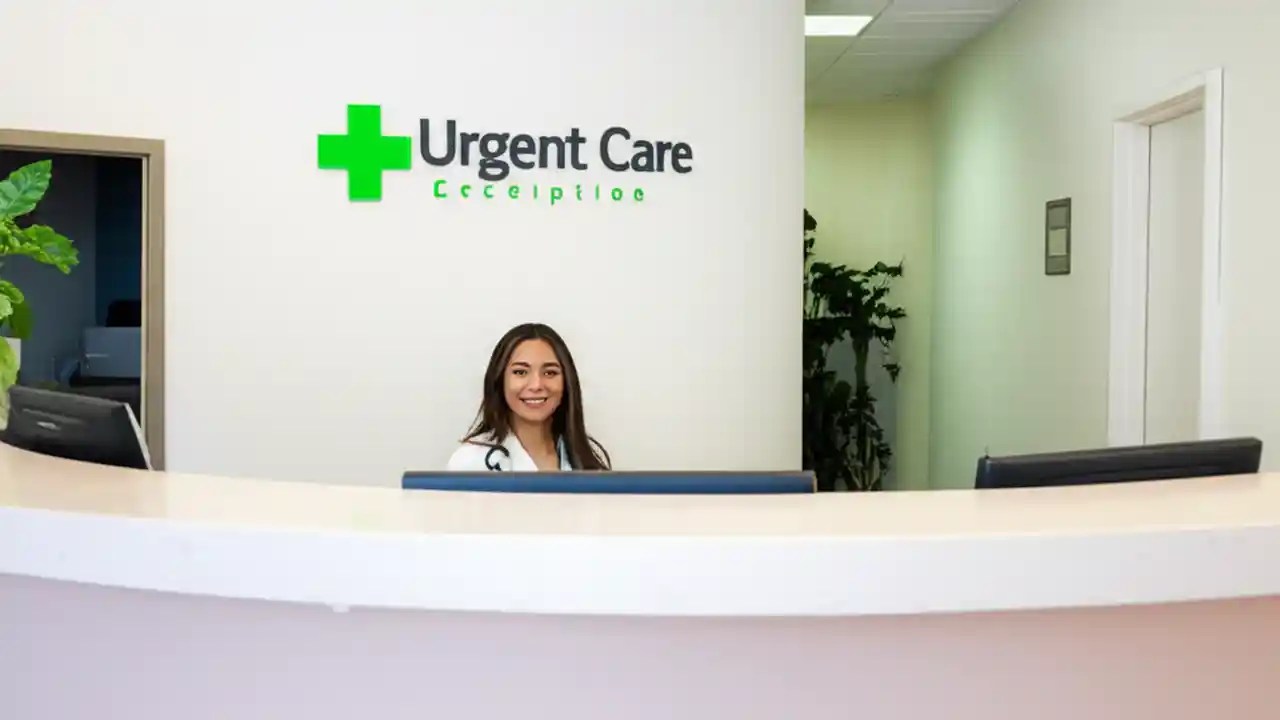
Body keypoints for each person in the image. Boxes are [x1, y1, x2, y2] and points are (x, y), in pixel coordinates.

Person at [446, 323, 611, 472]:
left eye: (550, 373)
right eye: (520, 372)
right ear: (499, 380)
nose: (536, 385)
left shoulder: (589, 461)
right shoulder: (470, 461)